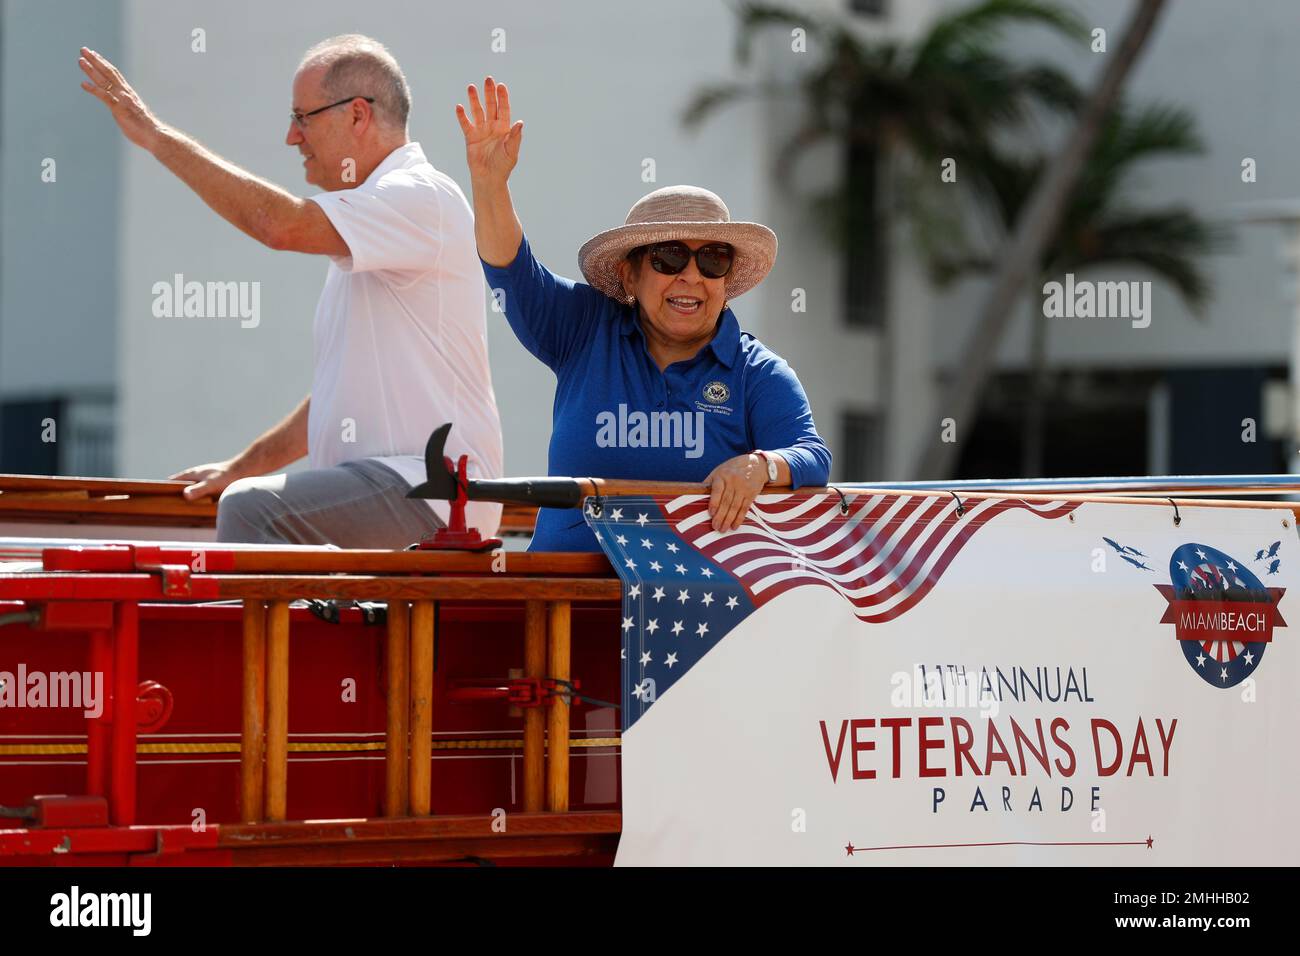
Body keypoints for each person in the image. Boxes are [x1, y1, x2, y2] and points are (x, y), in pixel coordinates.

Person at [78, 36, 503, 547]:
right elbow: (336, 396)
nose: (290, 137)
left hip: (431, 491)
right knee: (249, 500)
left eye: (303, 117)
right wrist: (241, 466)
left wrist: (155, 136)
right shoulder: (378, 216)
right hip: (408, 491)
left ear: (358, 115)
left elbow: (278, 226)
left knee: (251, 509)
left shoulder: (419, 196)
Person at [456, 77, 830, 552]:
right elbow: (511, 270)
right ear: (629, 276)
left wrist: (761, 465)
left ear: (726, 280)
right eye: (669, 257)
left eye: (712, 259)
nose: (691, 276)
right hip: (561, 608)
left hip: (695, 616)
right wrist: (490, 183)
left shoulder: (757, 372)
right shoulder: (583, 329)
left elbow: (812, 457)